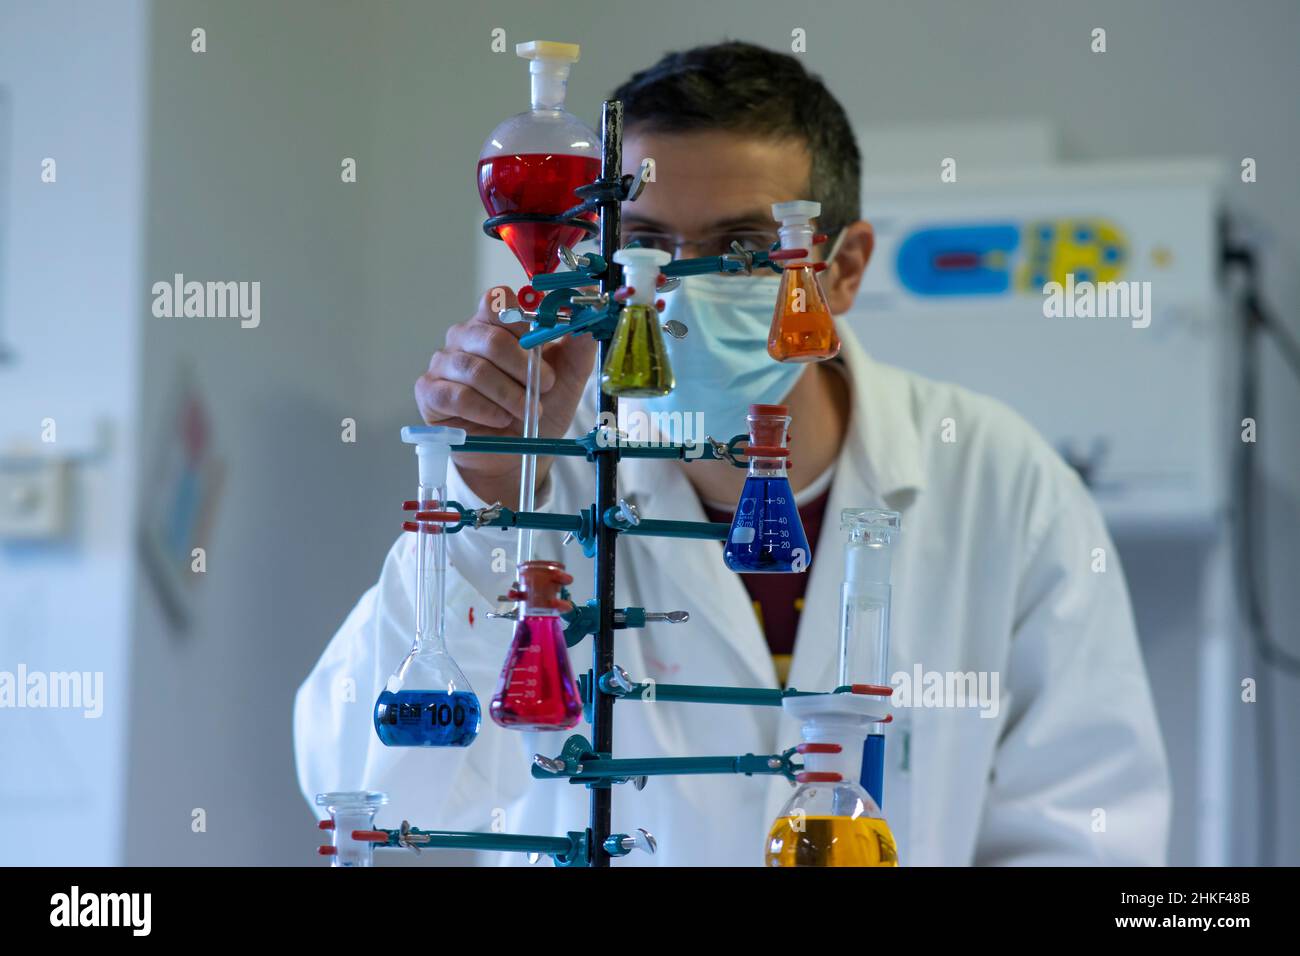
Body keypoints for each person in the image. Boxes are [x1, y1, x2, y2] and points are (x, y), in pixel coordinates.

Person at [294, 41, 1170, 866]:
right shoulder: (540, 480)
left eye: (746, 250)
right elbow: (367, 791)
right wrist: (486, 505)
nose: (679, 290)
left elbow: (1084, 835)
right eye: (642, 246)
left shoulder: (1002, 485)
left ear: (845, 268)